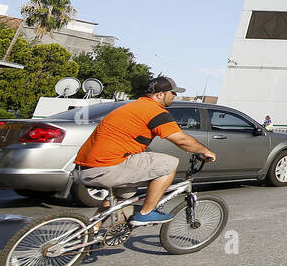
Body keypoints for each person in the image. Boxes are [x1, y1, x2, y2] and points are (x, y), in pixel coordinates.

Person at [73, 76, 217, 224]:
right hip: (106, 168)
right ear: (160, 95)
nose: (175, 96)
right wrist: (205, 151)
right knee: (169, 164)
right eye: (172, 93)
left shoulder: (133, 106)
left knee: (122, 196)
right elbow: (181, 140)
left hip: (84, 168)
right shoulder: (154, 111)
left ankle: (92, 230)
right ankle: (146, 213)